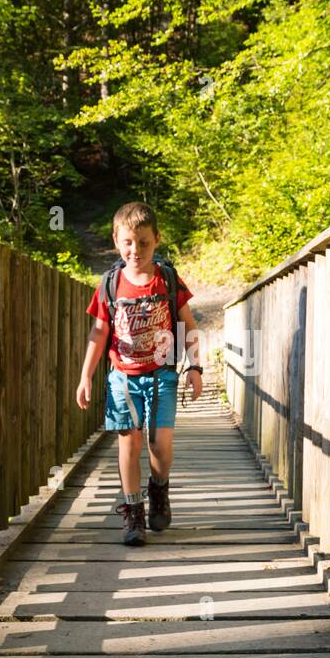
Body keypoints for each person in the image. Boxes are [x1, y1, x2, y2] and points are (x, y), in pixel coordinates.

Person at [75, 202, 203, 545]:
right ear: (117, 240)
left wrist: (195, 366)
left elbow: (188, 324)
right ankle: (133, 514)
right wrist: (86, 375)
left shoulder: (168, 279)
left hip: (161, 373)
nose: (136, 250)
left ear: (157, 239)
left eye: (144, 242)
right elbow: (99, 332)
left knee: (160, 445)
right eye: (129, 242)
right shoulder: (111, 283)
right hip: (123, 376)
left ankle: (158, 489)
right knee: (129, 444)